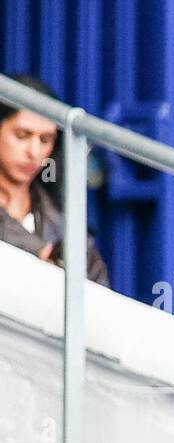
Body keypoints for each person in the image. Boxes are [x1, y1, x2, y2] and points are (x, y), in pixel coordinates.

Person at [0, 74, 110, 286]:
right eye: (22, 135)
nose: (34, 151)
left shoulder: (64, 222)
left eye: (45, 139)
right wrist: (40, 253)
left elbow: (99, 299)